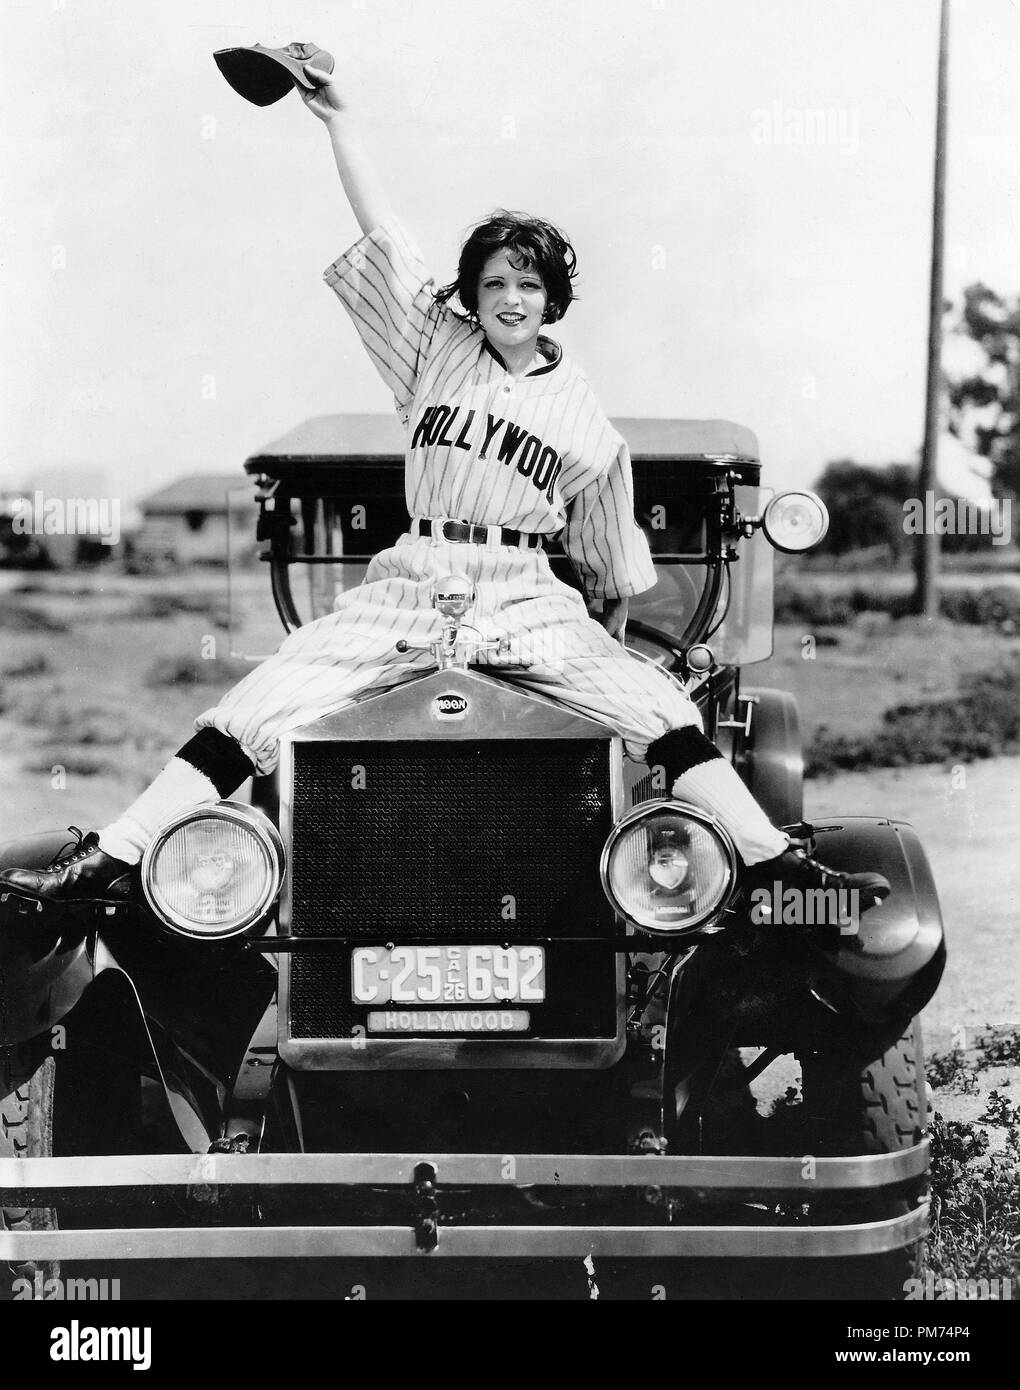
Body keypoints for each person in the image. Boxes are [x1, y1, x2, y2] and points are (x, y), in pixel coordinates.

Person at [0, 61, 889, 916]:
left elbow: (612, 577)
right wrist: (340, 120)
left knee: (656, 704)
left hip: (526, 593)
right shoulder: (438, 348)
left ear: (553, 300)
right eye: (494, 282)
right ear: (472, 293)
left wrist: (595, 655)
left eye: (528, 283)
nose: (509, 297)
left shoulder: (589, 425)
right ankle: (113, 857)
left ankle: (773, 862)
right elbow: (384, 231)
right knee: (252, 705)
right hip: (413, 575)